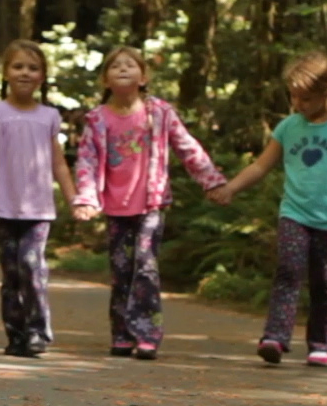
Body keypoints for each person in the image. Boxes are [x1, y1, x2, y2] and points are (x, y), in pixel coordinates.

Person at [209, 51, 327, 368]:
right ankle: (275, 337)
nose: (298, 104)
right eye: (294, 97)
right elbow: (260, 166)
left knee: (324, 280)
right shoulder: (288, 127)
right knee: (288, 271)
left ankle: (321, 343)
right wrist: (230, 188)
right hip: (294, 214)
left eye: (306, 98)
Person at [71, 46, 226, 361]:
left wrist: (211, 180)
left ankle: (147, 334)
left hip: (151, 204)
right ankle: (121, 334)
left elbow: (186, 146)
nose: (124, 68)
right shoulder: (98, 119)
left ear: (144, 77)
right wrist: (86, 197)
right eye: (116, 66)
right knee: (121, 271)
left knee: (146, 267)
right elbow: (86, 161)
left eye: (131, 65)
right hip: (115, 207)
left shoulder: (159, 113)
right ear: (105, 79)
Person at [0, 40, 79, 358]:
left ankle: (39, 333)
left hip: (39, 209)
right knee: (11, 274)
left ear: (42, 76)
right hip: (4, 207)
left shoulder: (49, 116)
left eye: (33, 68)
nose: (25, 73)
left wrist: (74, 198)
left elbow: (58, 162)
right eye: (18, 66)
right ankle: (16, 335)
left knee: (31, 265)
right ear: (6, 72)